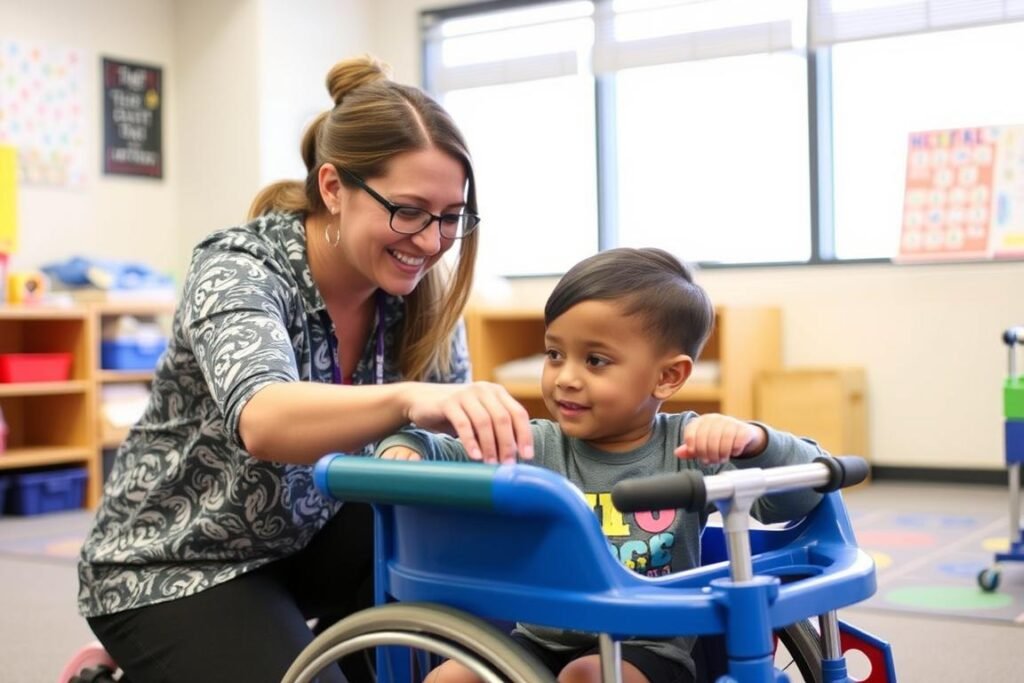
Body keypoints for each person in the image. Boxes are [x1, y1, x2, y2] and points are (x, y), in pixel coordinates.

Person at [76, 55, 533, 683]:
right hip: (176, 561)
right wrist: (408, 401)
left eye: (450, 217)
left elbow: (441, 449)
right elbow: (264, 419)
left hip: (308, 540)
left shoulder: (420, 292)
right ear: (332, 188)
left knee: (487, 587)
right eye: (408, 211)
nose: (430, 241)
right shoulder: (240, 266)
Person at [376, 247, 830, 683]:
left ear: (667, 377)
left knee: (589, 674)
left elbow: (802, 492)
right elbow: (439, 448)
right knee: (452, 675)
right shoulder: (534, 441)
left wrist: (754, 441)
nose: (566, 378)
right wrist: (405, 449)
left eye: (595, 361)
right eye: (555, 354)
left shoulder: (690, 446)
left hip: (646, 650)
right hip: (539, 638)